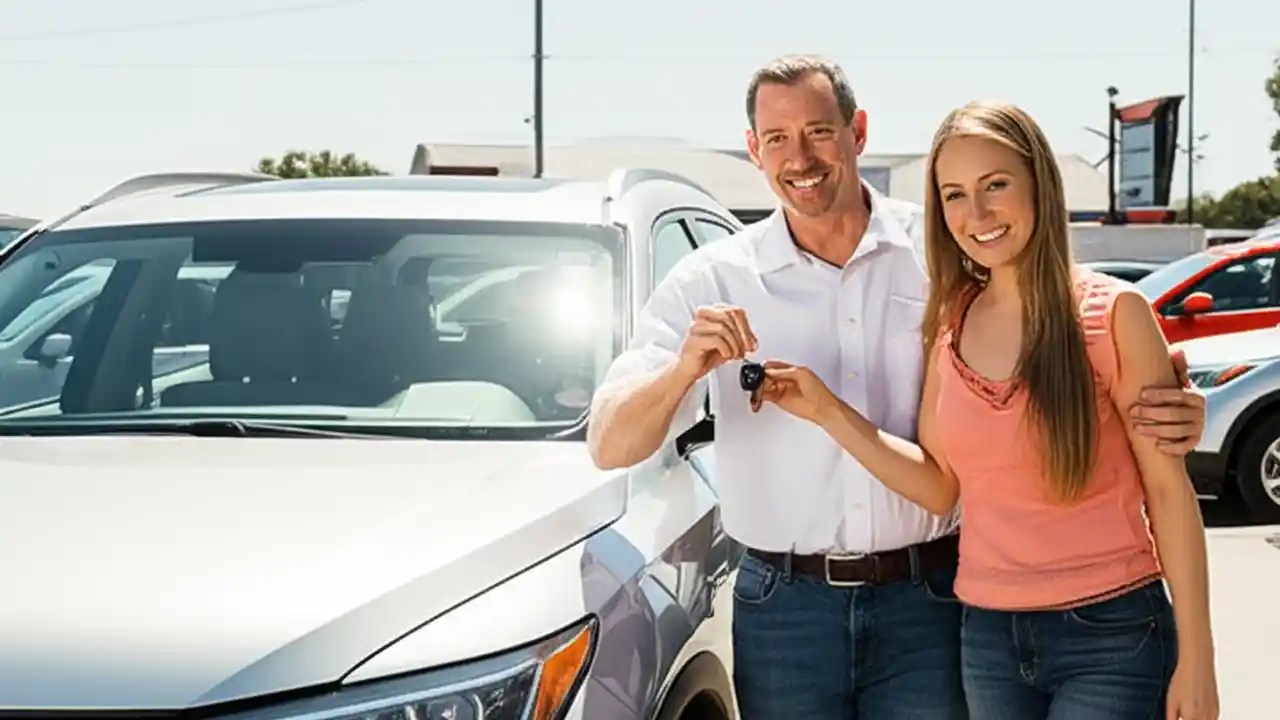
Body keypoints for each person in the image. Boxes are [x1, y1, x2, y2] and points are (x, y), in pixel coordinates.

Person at [586, 55, 1207, 720]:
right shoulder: (709, 281)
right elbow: (611, 444)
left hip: (934, 601)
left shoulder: (946, 252)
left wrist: (1166, 401)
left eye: (819, 131)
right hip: (785, 612)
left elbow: (1051, 330)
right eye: (776, 139)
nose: (800, 157)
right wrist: (683, 370)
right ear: (753, 151)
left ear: (858, 132)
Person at [754, 99, 1218, 719]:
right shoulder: (951, 324)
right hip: (989, 638)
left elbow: (1169, 495)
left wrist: (1199, 659)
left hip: (1112, 633)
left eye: (996, 185)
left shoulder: (1114, 314)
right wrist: (828, 412)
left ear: (1039, 185)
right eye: (954, 195)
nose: (977, 215)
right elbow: (939, 485)